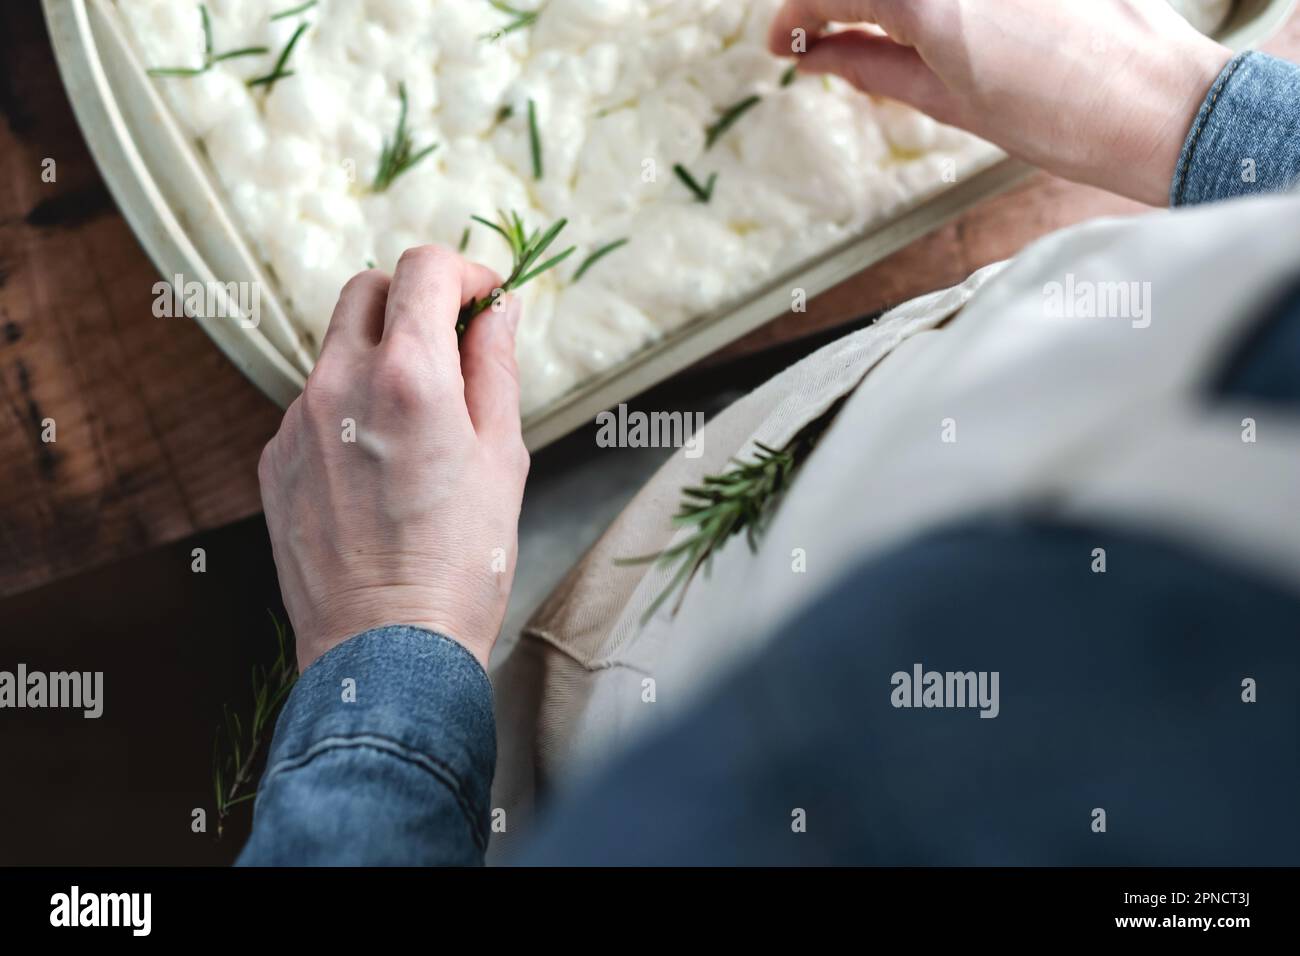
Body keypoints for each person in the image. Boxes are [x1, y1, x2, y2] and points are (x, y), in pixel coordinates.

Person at [238, 0, 1300, 865]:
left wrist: (381, 643)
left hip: (621, 693)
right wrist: (1195, 111)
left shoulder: (1024, 778)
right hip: (839, 422)